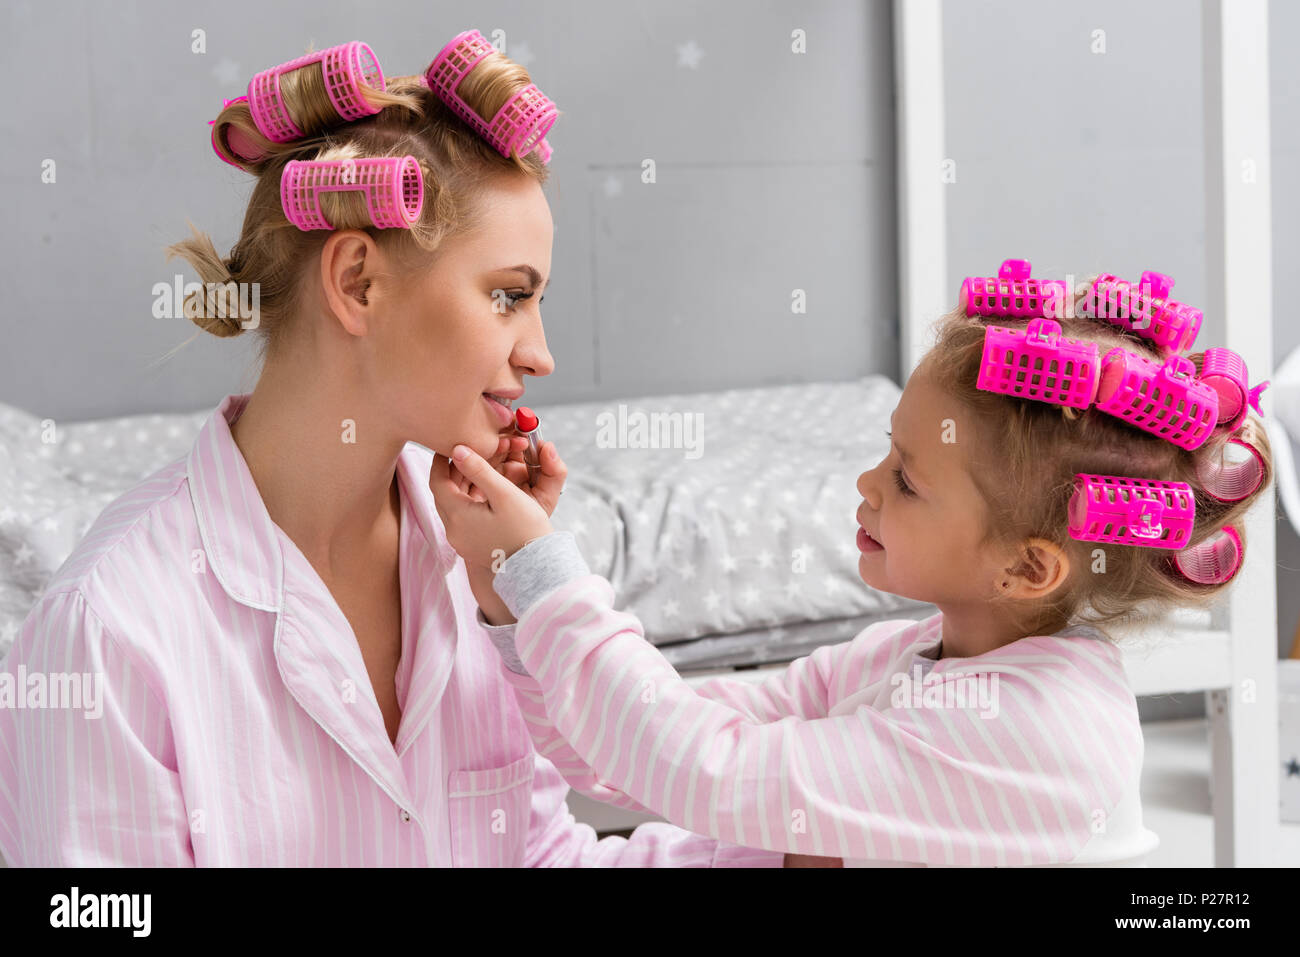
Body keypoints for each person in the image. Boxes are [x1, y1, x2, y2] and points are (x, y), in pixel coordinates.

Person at [0, 34, 787, 867]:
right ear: (357, 283)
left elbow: (538, 857)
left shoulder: (475, 566)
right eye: (509, 297)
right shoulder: (111, 631)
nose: (540, 354)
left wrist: (790, 853)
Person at [432, 272, 1275, 866]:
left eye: (908, 481)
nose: (868, 486)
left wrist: (546, 571)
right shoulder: (902, 657)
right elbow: (642, 741)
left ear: (1026, 566)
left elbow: (701, 767)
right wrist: (510, 596)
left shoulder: (1037, 730)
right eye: (888, 453)